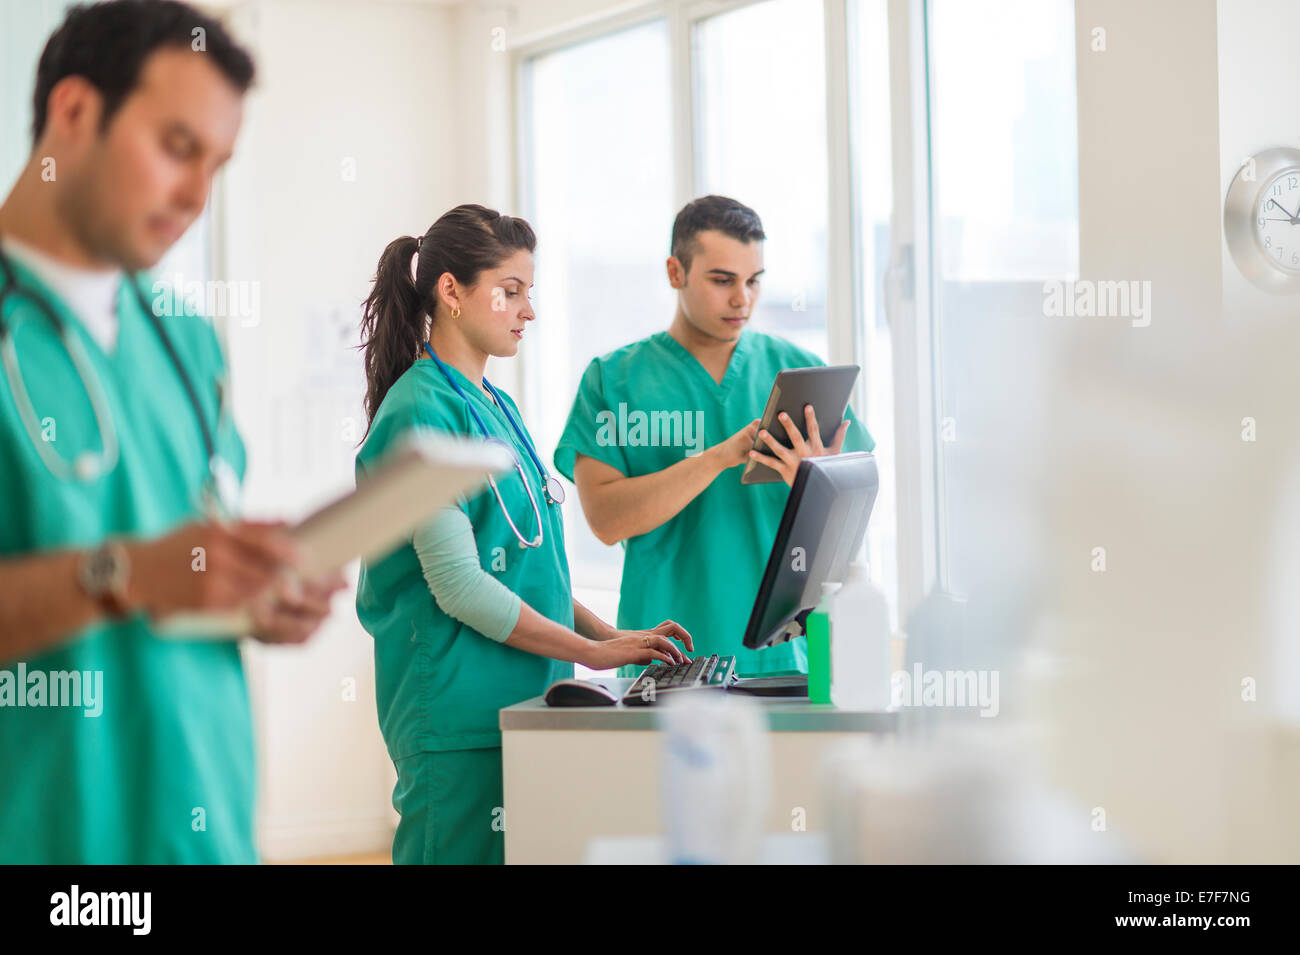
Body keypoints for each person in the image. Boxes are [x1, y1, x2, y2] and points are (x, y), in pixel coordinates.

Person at [0, 0, 343, 864]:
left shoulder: (186, 343)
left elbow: (186, 562)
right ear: (75, 112)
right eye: (176, 147)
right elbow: (142, 571)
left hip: (200, 829)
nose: (195, 195)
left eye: (216, 164)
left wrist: (258, 594)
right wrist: (120, 576)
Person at [356, 203, 693, 865]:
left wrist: (606, 636)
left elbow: (527, 569)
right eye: (509, 292)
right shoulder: (421, 409)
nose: (527, 311)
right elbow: (461, 587)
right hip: (455, 714)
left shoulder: (496, 405)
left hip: (521, 702)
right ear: (451, 292)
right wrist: (591, 655)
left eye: (528, 293)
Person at [555, 195, 874, 677]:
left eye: (753, 281)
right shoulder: (613, 379)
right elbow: (606, 520)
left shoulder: (798, 373)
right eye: (722, 280)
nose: (741, 298)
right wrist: (719, 456)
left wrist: (814, 487)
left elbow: (848, 538)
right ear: (675, 272)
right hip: (665, 661)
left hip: (782, 660)